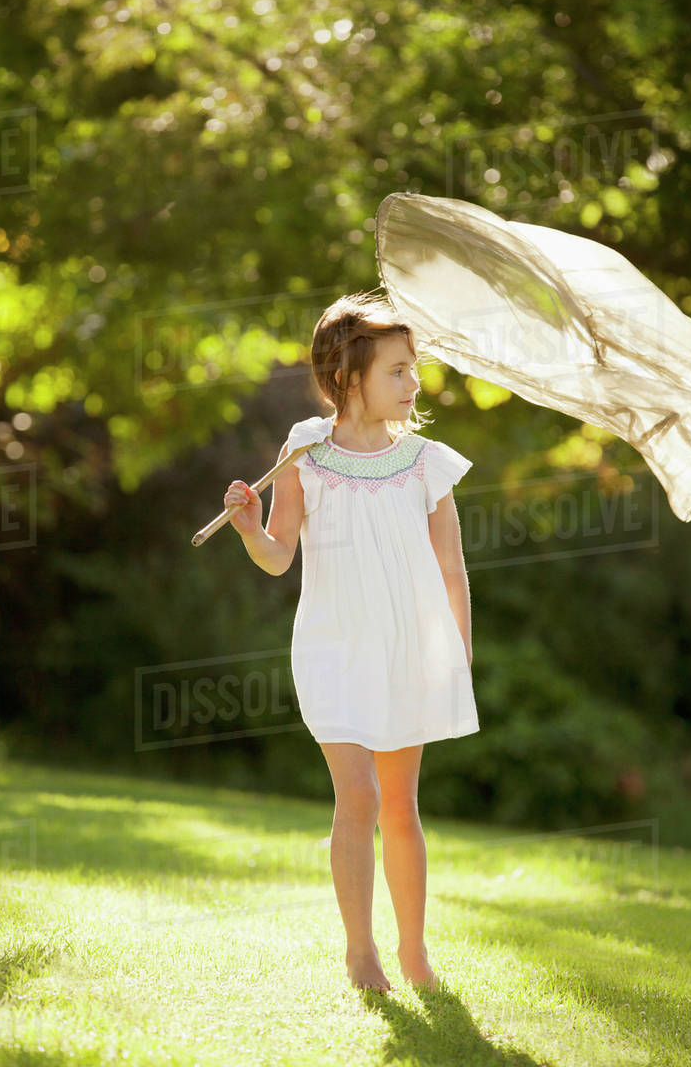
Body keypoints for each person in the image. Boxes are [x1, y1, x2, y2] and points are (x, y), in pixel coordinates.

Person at [223, 290, 479, 995]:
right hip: (334, 648)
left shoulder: (427, 461)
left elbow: (452, 567)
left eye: (413, 368)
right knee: (358, 795)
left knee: (400, 804)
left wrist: (456, 652)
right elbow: (279, 554)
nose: (413, 382)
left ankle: (415, 951)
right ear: (347, 377)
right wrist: (249, 528)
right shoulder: (305, 450)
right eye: (397, 369)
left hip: (407, 652)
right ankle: (360, 952)